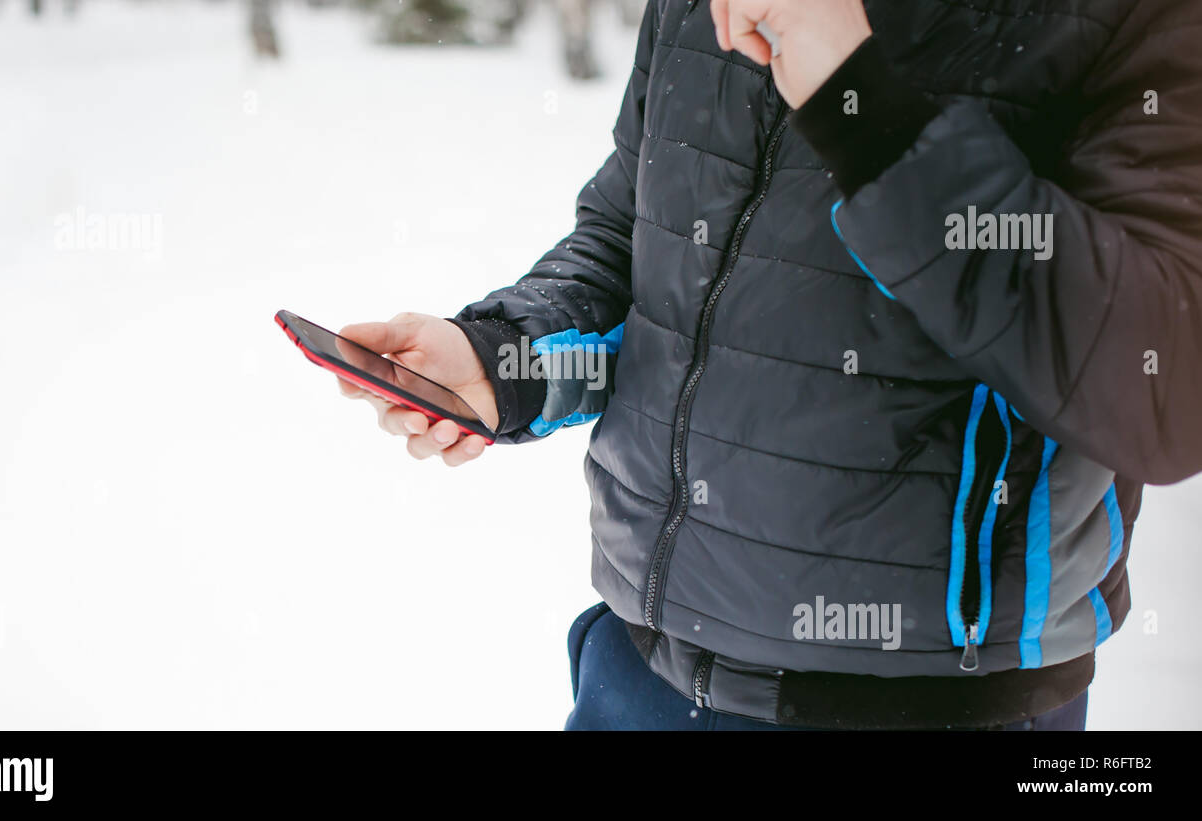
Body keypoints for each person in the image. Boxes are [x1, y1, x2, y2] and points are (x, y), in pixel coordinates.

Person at [337, 0, 1202, 729]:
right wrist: (506, 357)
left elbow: (1161, 386)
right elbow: (635, 231)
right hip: (643, 671)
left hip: (936, 701)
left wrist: (854, 97)